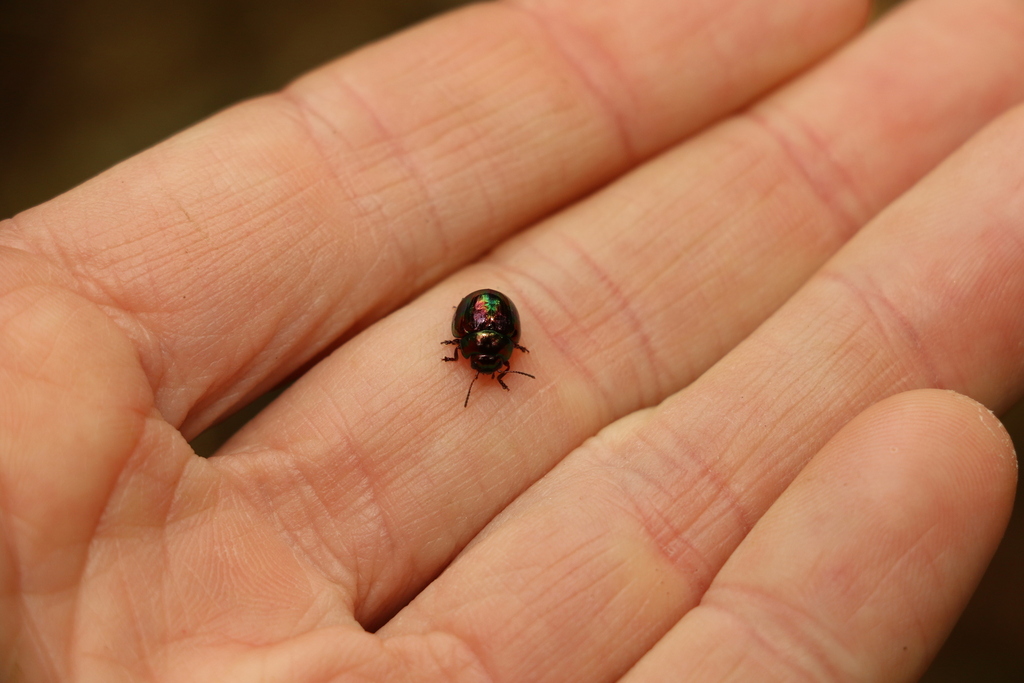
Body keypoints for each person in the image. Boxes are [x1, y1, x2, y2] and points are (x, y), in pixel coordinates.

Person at [1, 0, 1022, 679]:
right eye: (486, 359)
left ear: (487, 355)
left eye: (489, 359)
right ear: (485, 355)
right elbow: (482, 319)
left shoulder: (482, 342)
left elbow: (479, 320)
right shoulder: (486, 340)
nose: (486, 361)